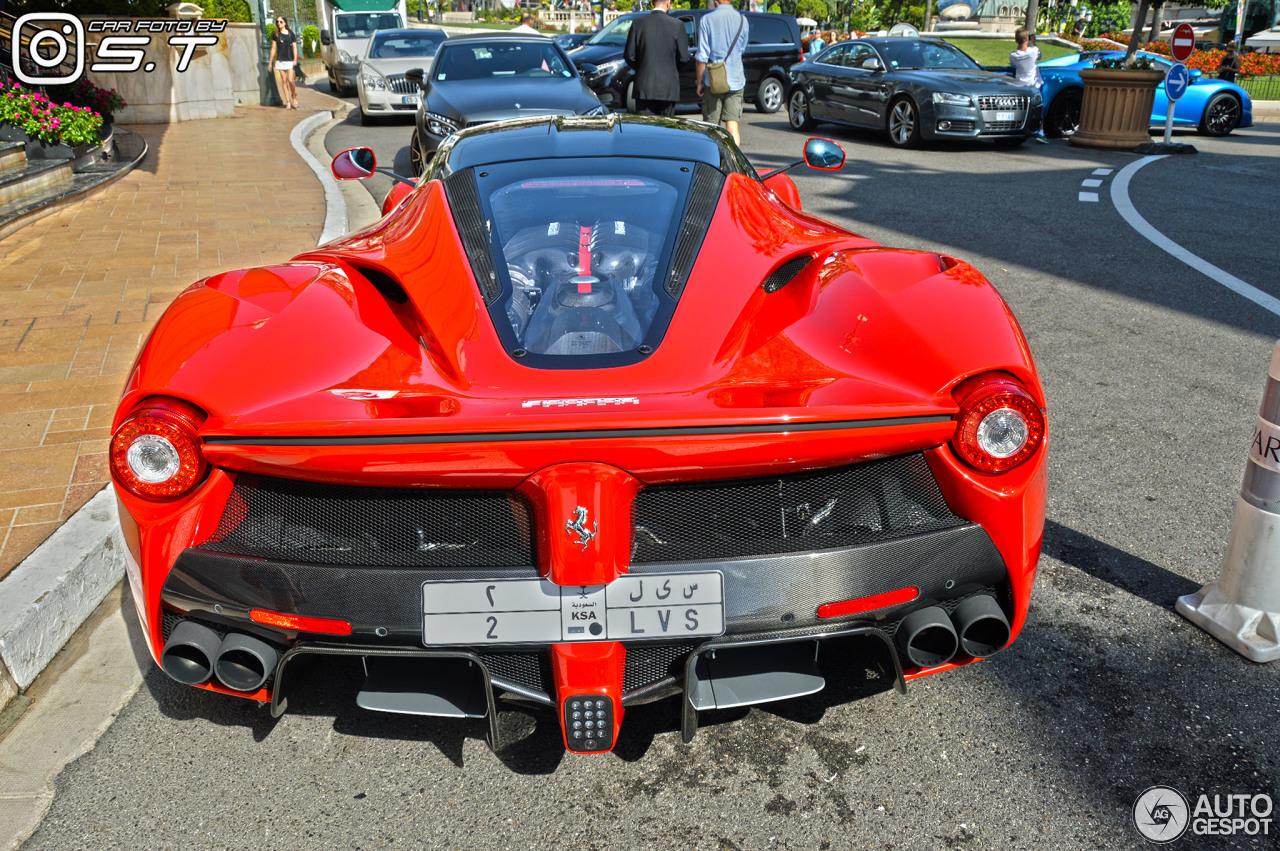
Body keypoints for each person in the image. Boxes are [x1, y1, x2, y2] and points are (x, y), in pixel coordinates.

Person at [695, 0, 748, 145]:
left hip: (713, 79)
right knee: (732, 126)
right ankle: (734, 162)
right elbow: (742, 49)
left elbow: (702, 56)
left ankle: (714, 163)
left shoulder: (707, 20)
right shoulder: (743, 20)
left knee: (712, 126)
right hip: (736, 78)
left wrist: (699, 82)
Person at [623, 0, 689, 117]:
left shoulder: (638, 23)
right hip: (668, 87)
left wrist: (642, 67)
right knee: (666, 130)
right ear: (668, 3)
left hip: (644, 85)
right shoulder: (677, 25)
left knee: (646, 130)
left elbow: (629, 55)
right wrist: (671, 69)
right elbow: (684, 58)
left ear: (653, 2)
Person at [1010, 28, 1047, 143]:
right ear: (1027, 39)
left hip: (1020, 84)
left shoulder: (1013, 55)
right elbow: (1039, 56)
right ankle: (1040, 132)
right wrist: (1034, 42)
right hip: (1034, 84)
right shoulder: (1033, 51)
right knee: (1040, 108)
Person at [269, 16, 300, 110]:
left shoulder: (291, 34)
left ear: (285, 22)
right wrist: (270, 62)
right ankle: (288, 101)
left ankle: (294, 96)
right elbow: (273, 48)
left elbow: (294, 47)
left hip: (290, 60)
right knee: (283, 81)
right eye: (277, 22)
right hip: (280, 60)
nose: (279, 23)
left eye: (281, 21)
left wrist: (295, 59)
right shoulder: (276, 34)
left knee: (290, 80)